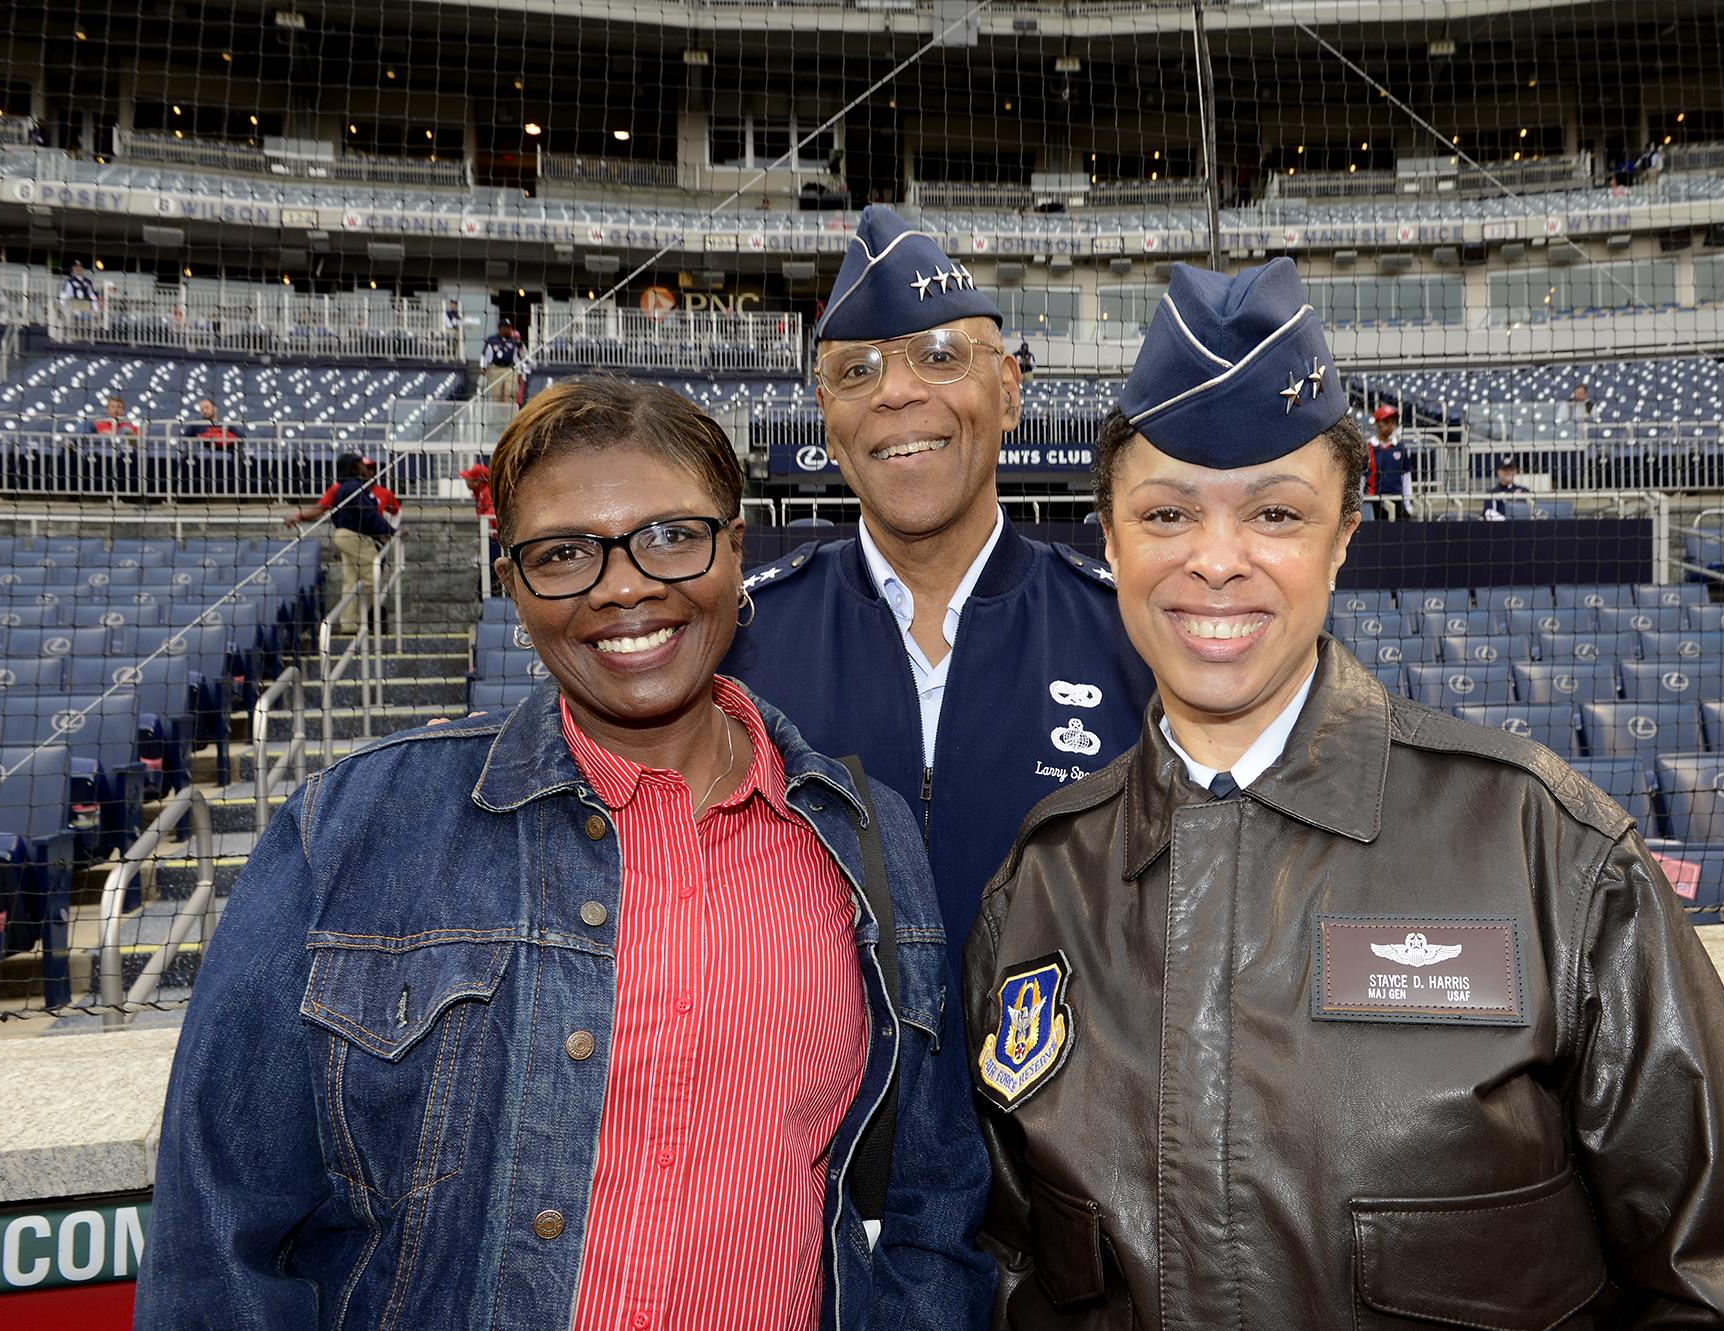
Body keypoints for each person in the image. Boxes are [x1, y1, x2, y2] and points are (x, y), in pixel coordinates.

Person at [964, 256, 1724, 1329]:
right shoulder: (1043, 884)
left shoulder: (1543, 853)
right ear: (1106, 538)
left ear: (1342, 538)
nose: (1214, 560)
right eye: (1165, 514)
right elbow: (1012, 1270)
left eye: (1276, 514)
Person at [142, 377, 995, 1330]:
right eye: (563, 553)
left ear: (736, 550)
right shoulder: (346, 828)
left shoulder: (864, 839)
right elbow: (219, 1245)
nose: (625, 584)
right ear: (510, 582)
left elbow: (933, 1207)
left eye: (672, 534)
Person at [721, 205, 1152, 980]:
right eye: (857, 371)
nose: (895, 393)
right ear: (827, 415)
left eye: (939, 355)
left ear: (1010, 391)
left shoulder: (1129, 634)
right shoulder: (742, 640)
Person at [282, 451, 394, 628]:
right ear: (356, 467)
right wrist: (390, 532)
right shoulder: (349, 487)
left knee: (351, 581)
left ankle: (349, 623)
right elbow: (365, 514)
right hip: (356, 536)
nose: (369, 470)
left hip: (357, 535)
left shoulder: (361, 488)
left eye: (371, 468)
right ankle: (375, 615)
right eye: (365, 466)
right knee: (372, 578)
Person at [1363, 401, 1412, 520]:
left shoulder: (1400, 448)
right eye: (1386, 421)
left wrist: (1407, 502)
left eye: (1392, 422)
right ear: (1378, 424)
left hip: (1397, 499)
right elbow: (1362, 478)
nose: (1390, 425)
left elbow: (1406, 477)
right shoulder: (1368, 448)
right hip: (1375, 501)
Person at [482, 315, 525, 404]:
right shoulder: (492, 340)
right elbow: (485, 355)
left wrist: (519, 372)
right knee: (495, 395)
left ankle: (511, 415)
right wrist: (483, 366)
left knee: (511, 392)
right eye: (506, 328)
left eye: (509, 328)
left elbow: (516, 358)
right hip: (495, 368)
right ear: (500, 328)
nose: (508, 330)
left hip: (509, 369)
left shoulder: (513, 341)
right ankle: (496, 416)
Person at [1483, 453, 1532, 519]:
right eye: (1505, 470)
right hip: (1501, 527)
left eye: (1511, 470)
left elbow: (1532, 510)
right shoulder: (1491, 492)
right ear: (1498, 472)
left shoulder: (1524, 490)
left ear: (1515, 472)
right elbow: (1488, 513)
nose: (1508, 473)